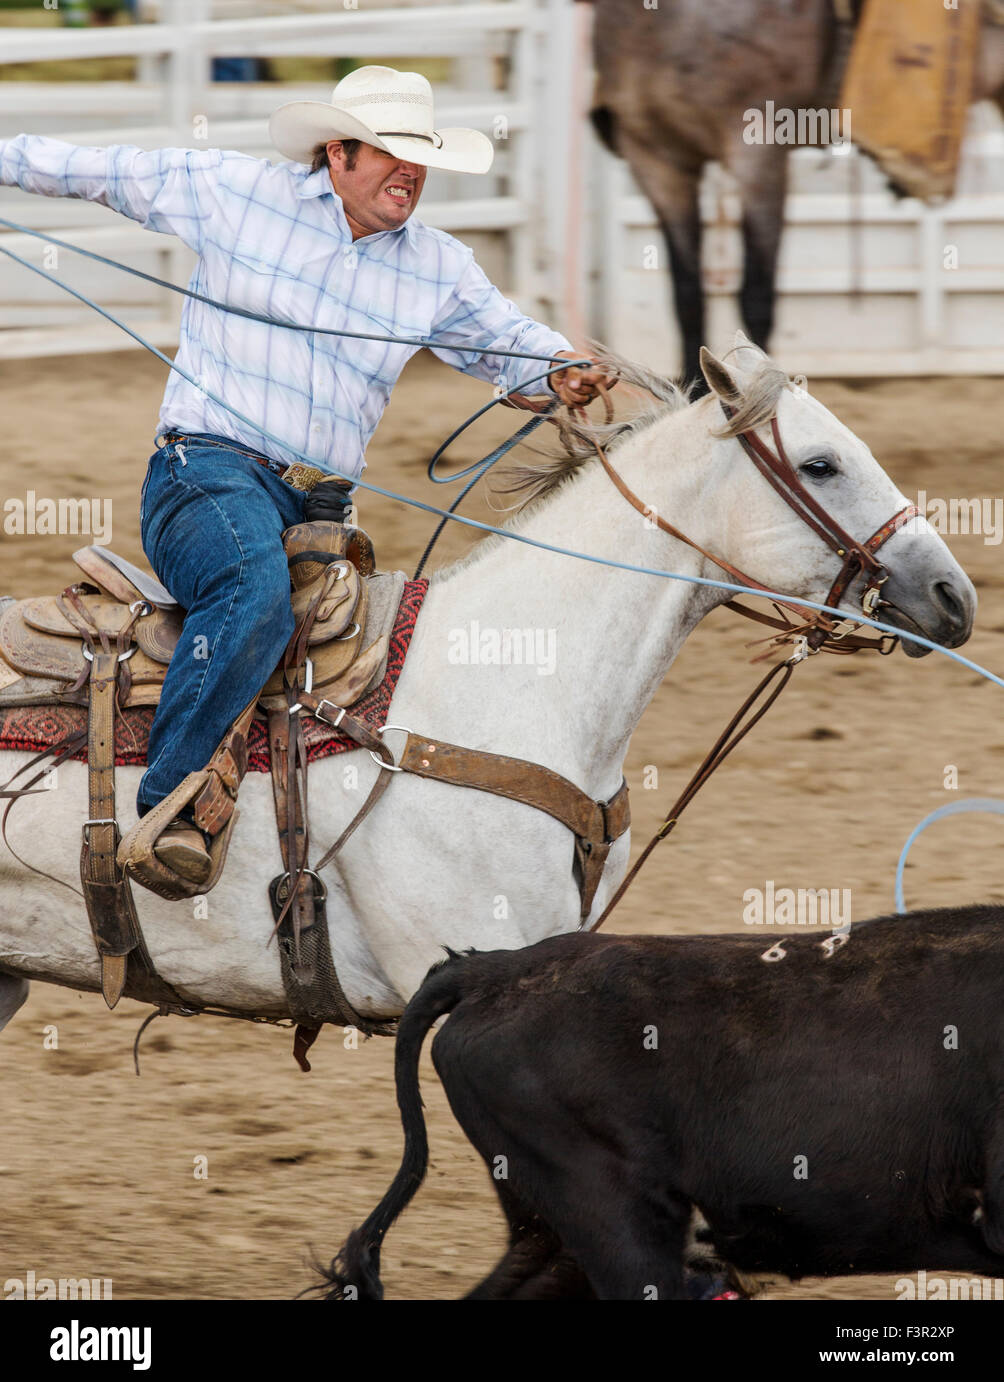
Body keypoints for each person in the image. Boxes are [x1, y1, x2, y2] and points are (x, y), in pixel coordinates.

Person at [0, 65, 611, 884]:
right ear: (338, 154)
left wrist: (560, 373)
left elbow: (509, 345)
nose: (410, 172)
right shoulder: (233, 191)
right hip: (204, 472)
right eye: (391, 154)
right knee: (251, 592)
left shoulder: (437, 265)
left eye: (419, 157)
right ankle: (168, 802)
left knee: (378, 651)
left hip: (321, 509)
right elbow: (90, 168)